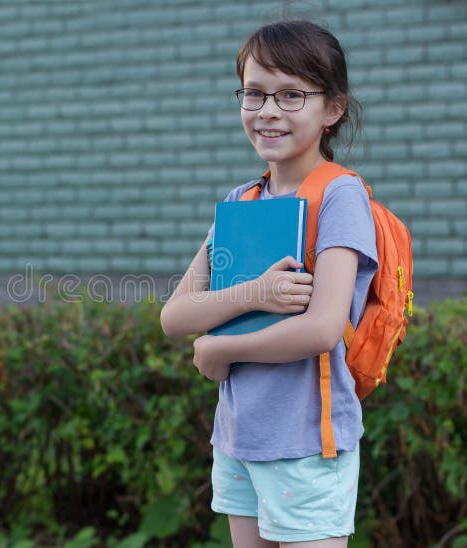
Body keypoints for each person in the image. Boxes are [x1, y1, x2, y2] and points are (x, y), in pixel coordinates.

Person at [160, 20, 378, 547]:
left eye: (291, 94)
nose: (268, 111)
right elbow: (174, 316)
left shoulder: (339, 195)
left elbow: (323, 328)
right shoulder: (242, 201)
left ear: (333, 109)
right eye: (254, 94)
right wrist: (254, 294)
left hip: (307, 442)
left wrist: (221, 347)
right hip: (239, 440)